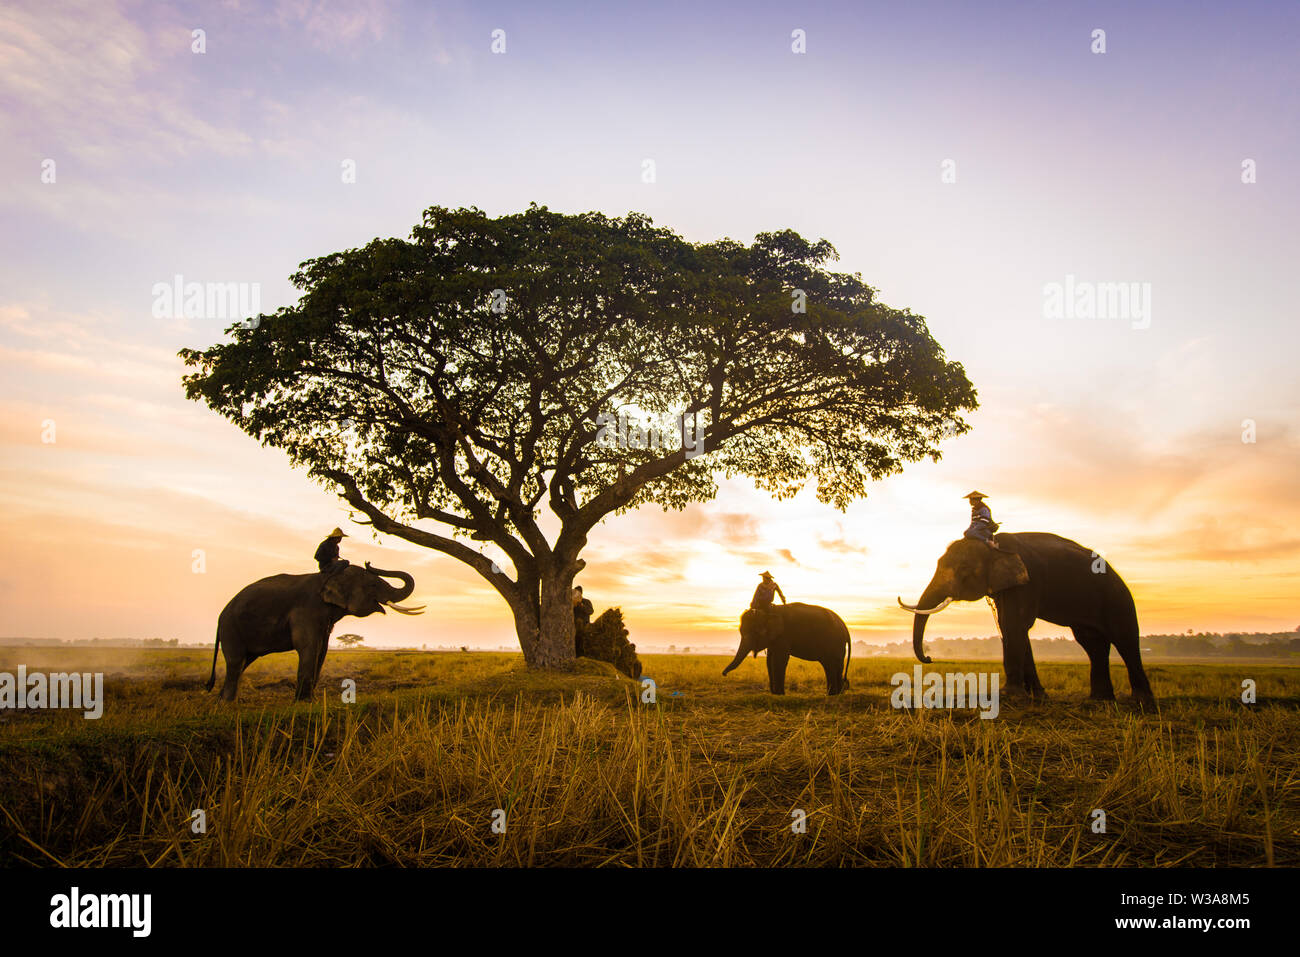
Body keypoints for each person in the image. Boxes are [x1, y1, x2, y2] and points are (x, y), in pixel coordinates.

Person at [572, 586, 594, 656]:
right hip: (574, 627)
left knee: (582, 644)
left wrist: (581, 606)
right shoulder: (572, 603)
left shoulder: (586, 602)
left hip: (584, 627)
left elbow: (590, 611)